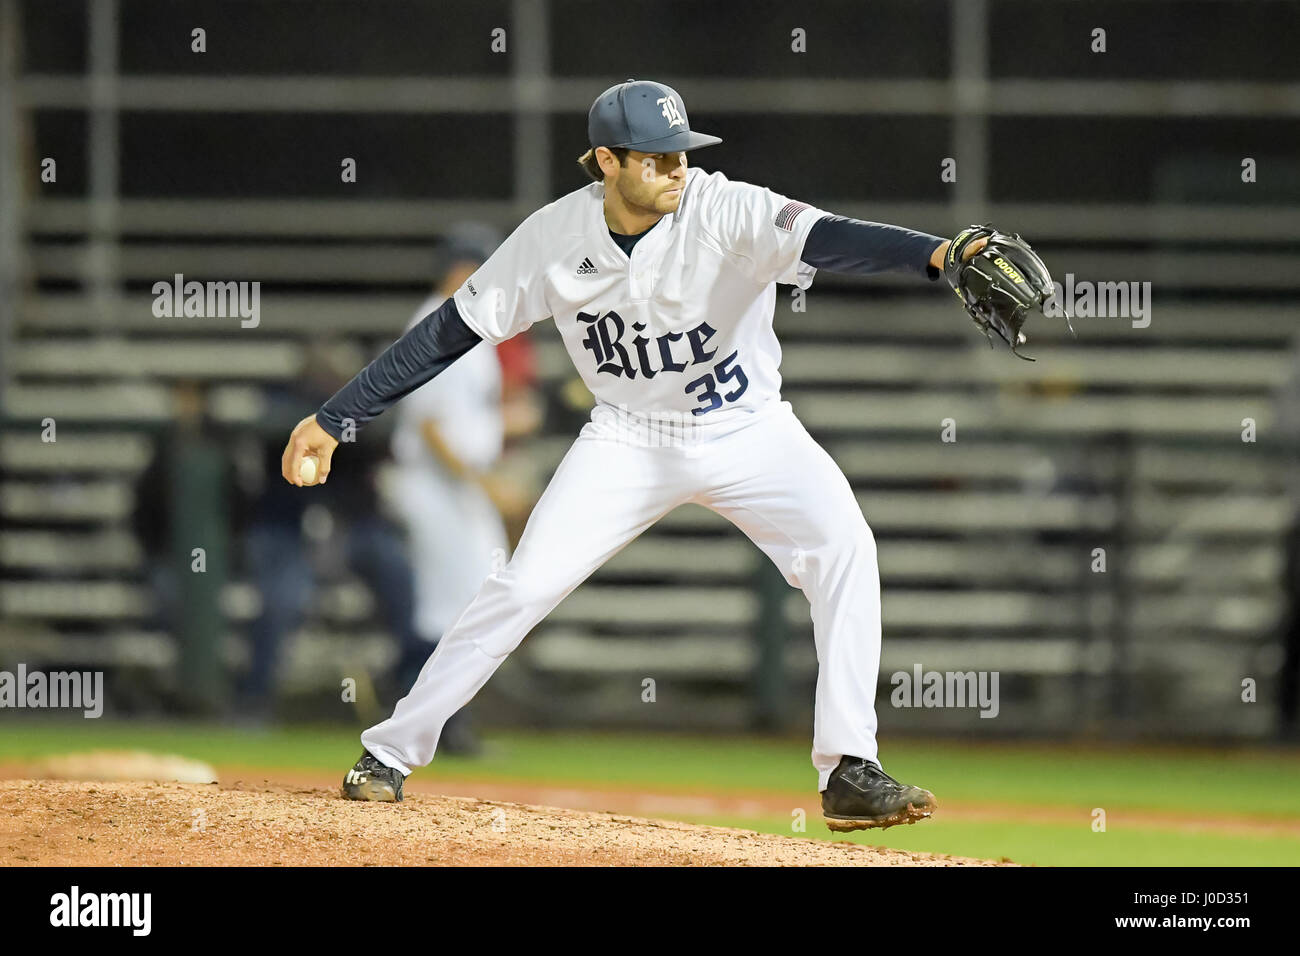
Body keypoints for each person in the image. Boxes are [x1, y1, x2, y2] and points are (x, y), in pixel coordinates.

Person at [282, 79, 1001, 830]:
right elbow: (448, 333)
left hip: (748, 428)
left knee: (846, 547)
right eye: (655, 158)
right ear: (605, 160)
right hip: (627, 436)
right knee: (522, 585)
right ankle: (390, 752)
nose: (676, 168)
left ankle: (850, 768)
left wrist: (940, 255)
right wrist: (338, 416)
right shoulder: (553, 237)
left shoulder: (725, 207)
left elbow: (829, 236)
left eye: (681, 152)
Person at [386, 224, 536, 752]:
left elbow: (463, 419)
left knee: (477, 594)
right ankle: (430, 722)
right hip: (439, 485)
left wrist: (505, 427)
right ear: (460, 270)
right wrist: (486, 484)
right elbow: (431, 428)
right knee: (456, 602)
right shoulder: (435, 321)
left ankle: (436, 720)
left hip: (457, 485)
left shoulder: (465, 324)